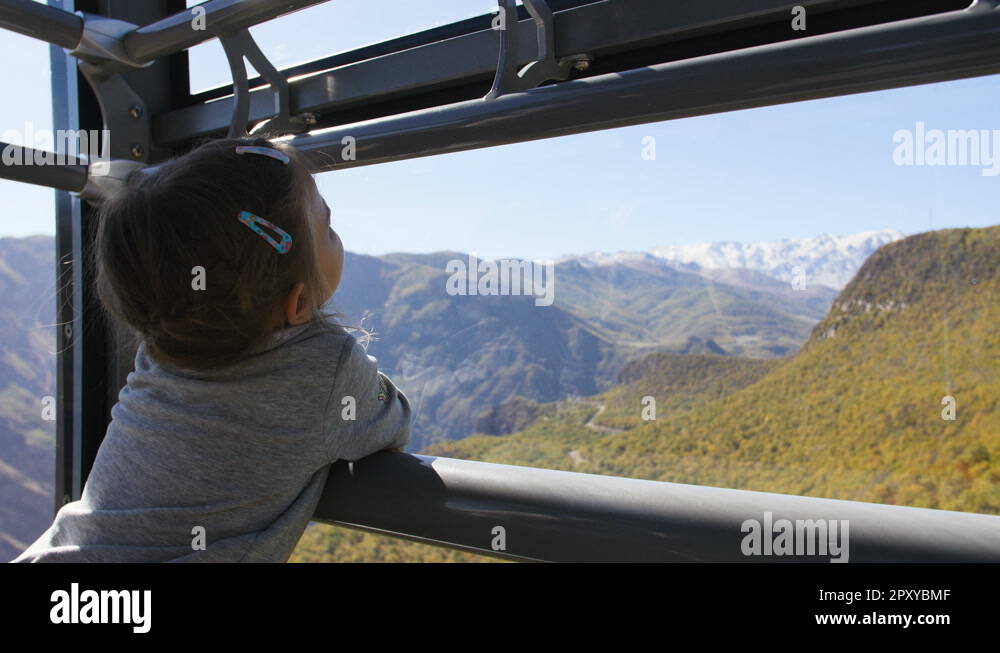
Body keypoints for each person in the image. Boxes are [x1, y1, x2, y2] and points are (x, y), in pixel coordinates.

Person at [11, 137, 411, 562]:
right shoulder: (329, 366)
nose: (337, 236)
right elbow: (393, 421)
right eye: (327, 228)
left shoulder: (160, 351)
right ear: (297, 304)